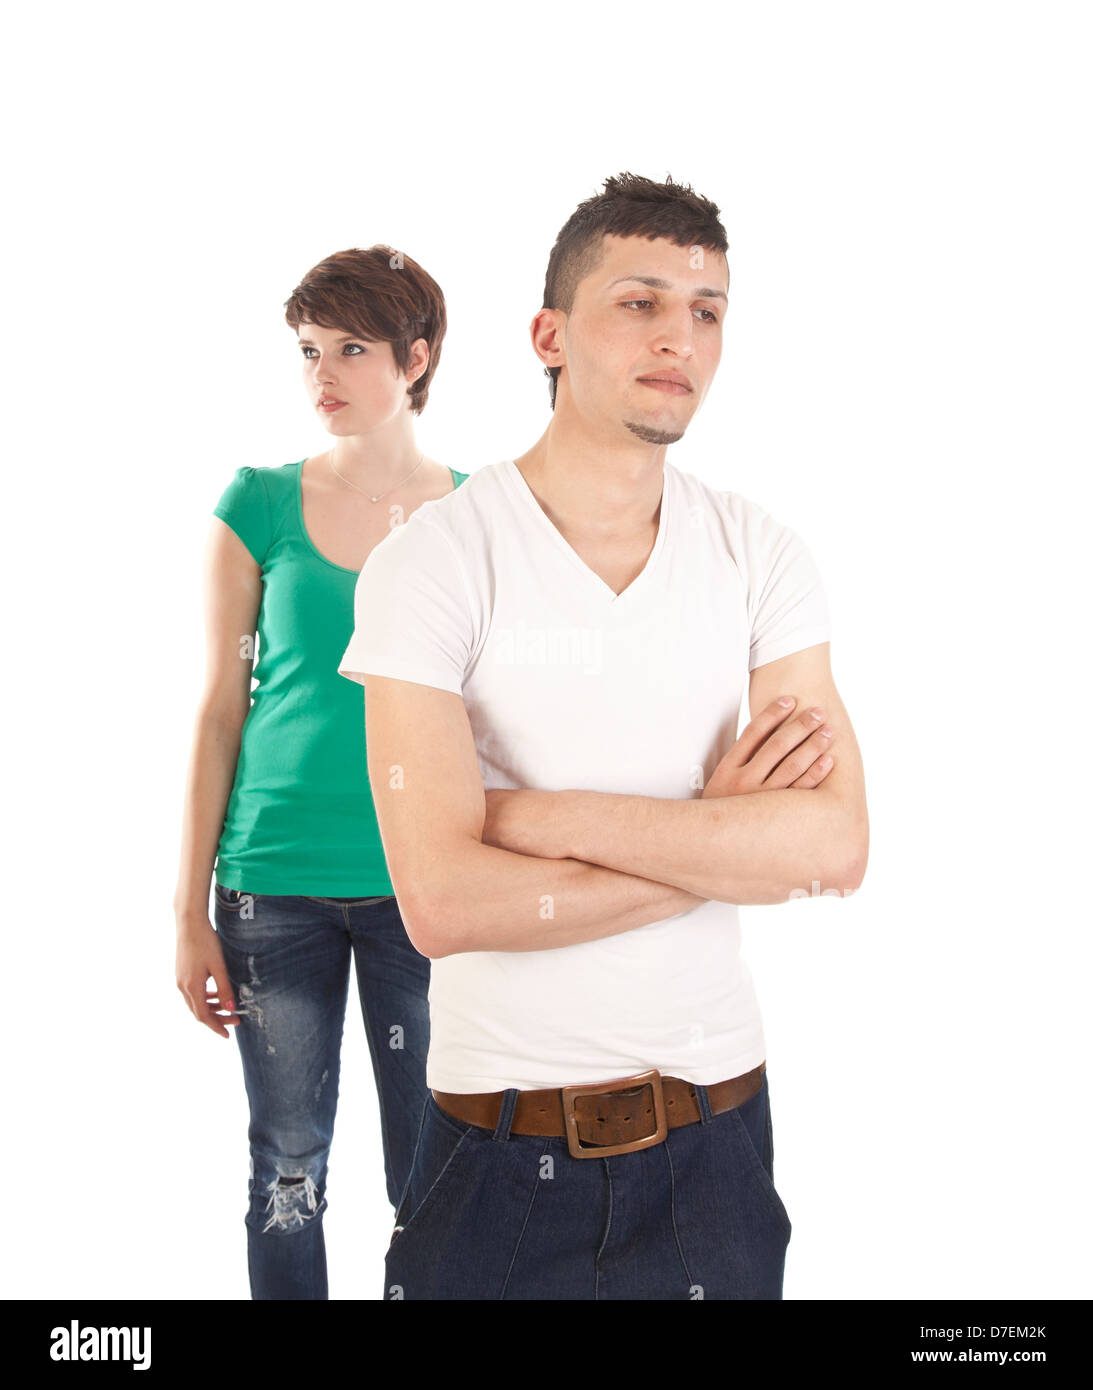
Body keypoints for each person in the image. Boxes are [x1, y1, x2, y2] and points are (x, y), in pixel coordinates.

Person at [338, 173, 870, 1300]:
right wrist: (719, 837)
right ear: (550, 333)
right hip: (496, 1151)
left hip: (716, 1141)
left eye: (707, 310)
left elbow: (830, 848)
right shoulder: (434, 562)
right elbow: (442, 904)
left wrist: (534, 819)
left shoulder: (759, 554)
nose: (679, 334)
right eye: (639, 302)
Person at [173, 245, 468, 1300]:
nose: (322, 372)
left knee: (431, 1177)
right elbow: (218, 712)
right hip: (271, 887)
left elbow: (498, 728)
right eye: (308, 349)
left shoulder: (478, 516)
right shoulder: (256, 503)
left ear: (416, 357)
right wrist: (187, 908)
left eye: (351, 347)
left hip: (421, 890)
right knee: (287, 1169)